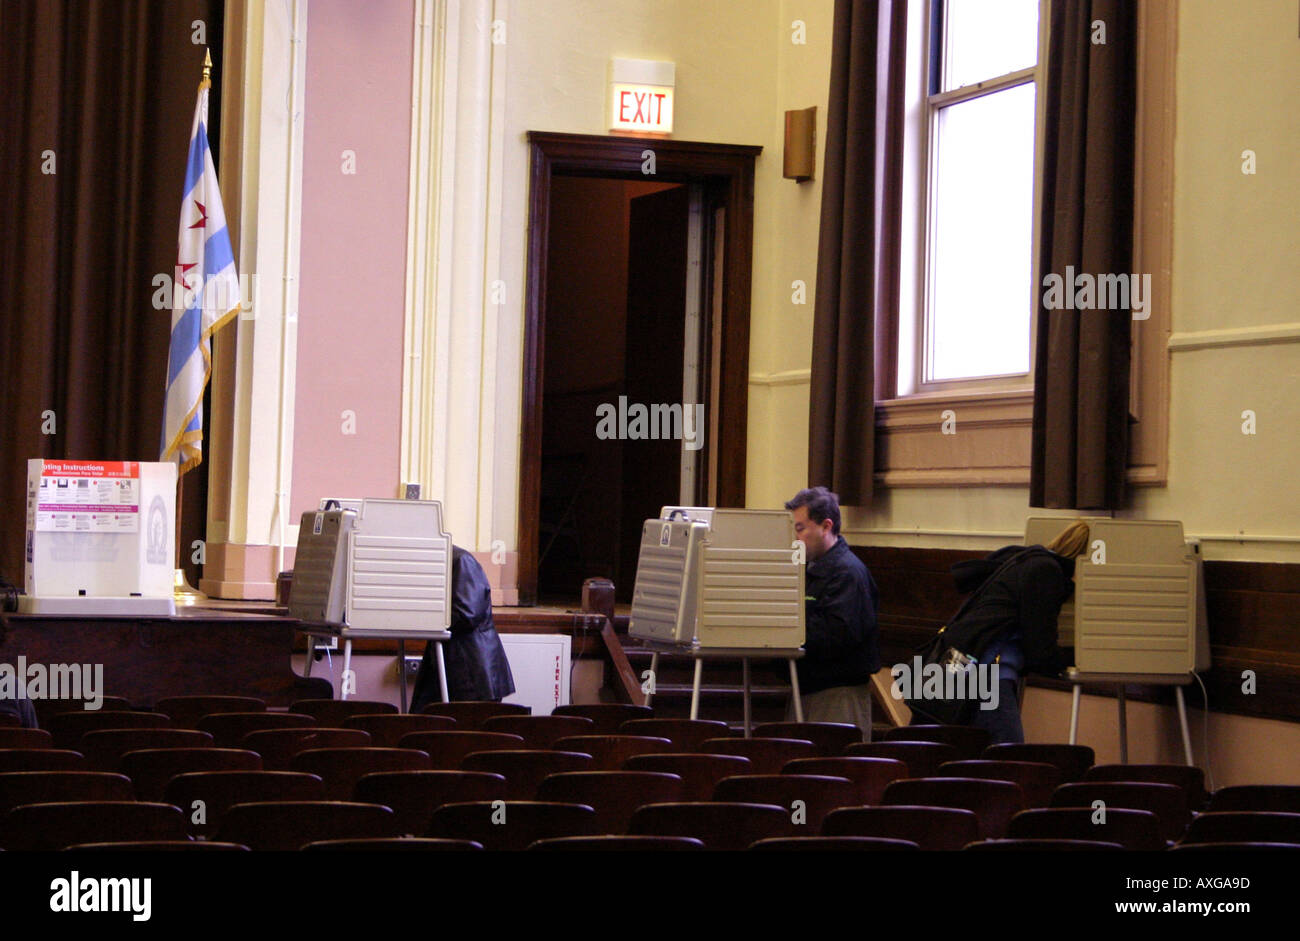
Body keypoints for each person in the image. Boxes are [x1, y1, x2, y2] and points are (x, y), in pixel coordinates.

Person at [920, 520, 1088, 744]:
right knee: (1007, 761)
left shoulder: (1024, 560)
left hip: (959, 669)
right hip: (988, 676)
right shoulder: (1046, 572)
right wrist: (1087, 656)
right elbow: (1040, 652)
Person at [785, 486, 880, 741]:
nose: (795, 537)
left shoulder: (847, 573)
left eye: (800, 528)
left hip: (837, 696)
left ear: (826, 526)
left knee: (834, 773)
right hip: (810, 689)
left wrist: (782, 627)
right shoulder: (811, 568)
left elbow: (835, 635)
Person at [409, 545, 515, 710]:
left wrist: (423, 618)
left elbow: (467, 613)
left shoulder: (460, 560)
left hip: (471, 670)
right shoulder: (450, 560)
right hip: (461, 664)